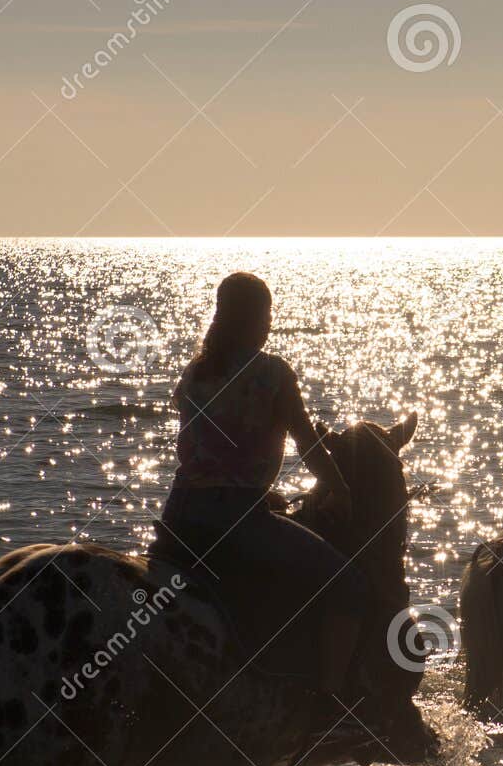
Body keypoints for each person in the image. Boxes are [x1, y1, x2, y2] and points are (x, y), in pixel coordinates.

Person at [153, 272, 364, 695]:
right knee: (348, 583)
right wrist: (339, 489)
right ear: (254, 319)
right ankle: (332, 703)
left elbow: (208, 455)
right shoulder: (272, 374)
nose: (270, 324)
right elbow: (307, 444)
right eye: (266, 315)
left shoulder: (195, 372)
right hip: (235, 521)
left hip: (178, 516)